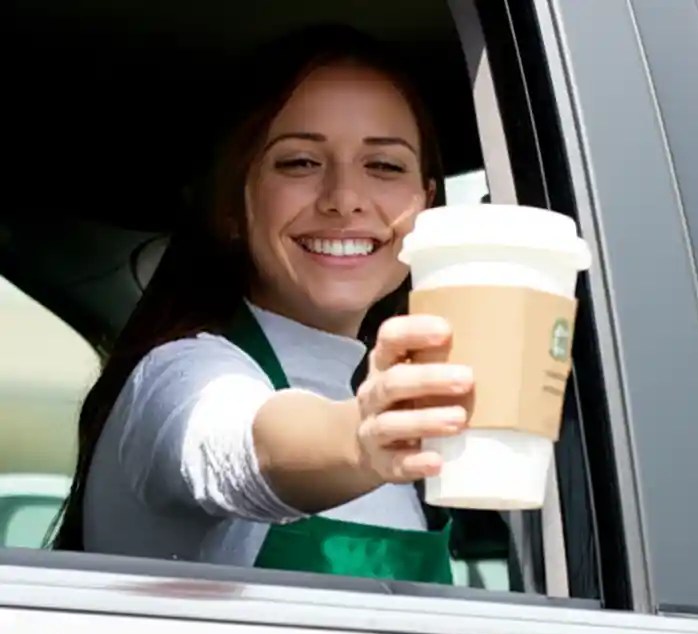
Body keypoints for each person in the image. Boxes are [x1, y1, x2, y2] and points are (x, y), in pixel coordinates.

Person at [49, 25, 470, 584]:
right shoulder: (181, 376)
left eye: (385, 166)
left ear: (426, 207)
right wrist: (361, 437)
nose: (345, 199)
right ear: (230, 204)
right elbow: (244, 446)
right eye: (299, 162)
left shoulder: (386, 397)